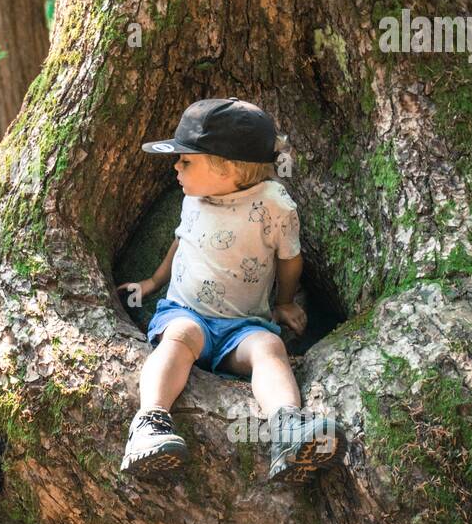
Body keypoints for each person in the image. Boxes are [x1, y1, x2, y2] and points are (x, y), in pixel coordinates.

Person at [117, 97, 343, 482]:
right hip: (187, 313)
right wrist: (152, 283)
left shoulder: (274, 205)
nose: (176, 167)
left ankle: (287, 427)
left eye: (186, 161)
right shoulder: (192, 197)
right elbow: (181, 242)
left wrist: (284, 302)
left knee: (269, 347)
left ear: (230, 169)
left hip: (242, 327)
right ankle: (149, 422)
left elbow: (290, 259)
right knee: (180, 337)